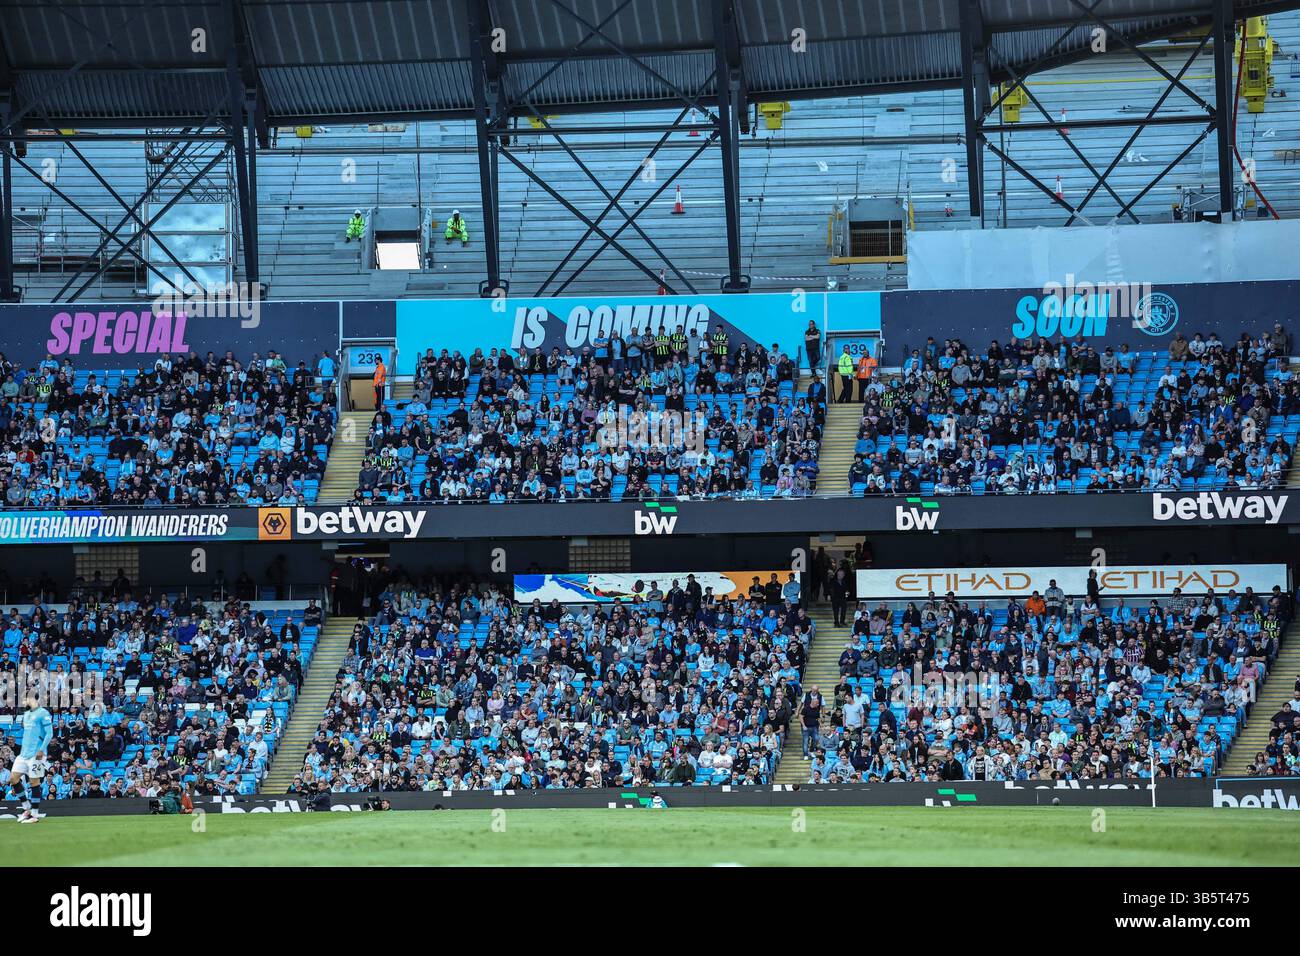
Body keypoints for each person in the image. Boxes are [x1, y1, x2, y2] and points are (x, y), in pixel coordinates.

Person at [9, 692, 52, 823]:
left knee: (34, 782)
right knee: (13, 779)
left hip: (36, 754)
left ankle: (35, 815)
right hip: (23, 754)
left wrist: (41, 750)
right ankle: (26, 808)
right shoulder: (26, 714)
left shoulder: (43, 713)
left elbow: (49, 734)